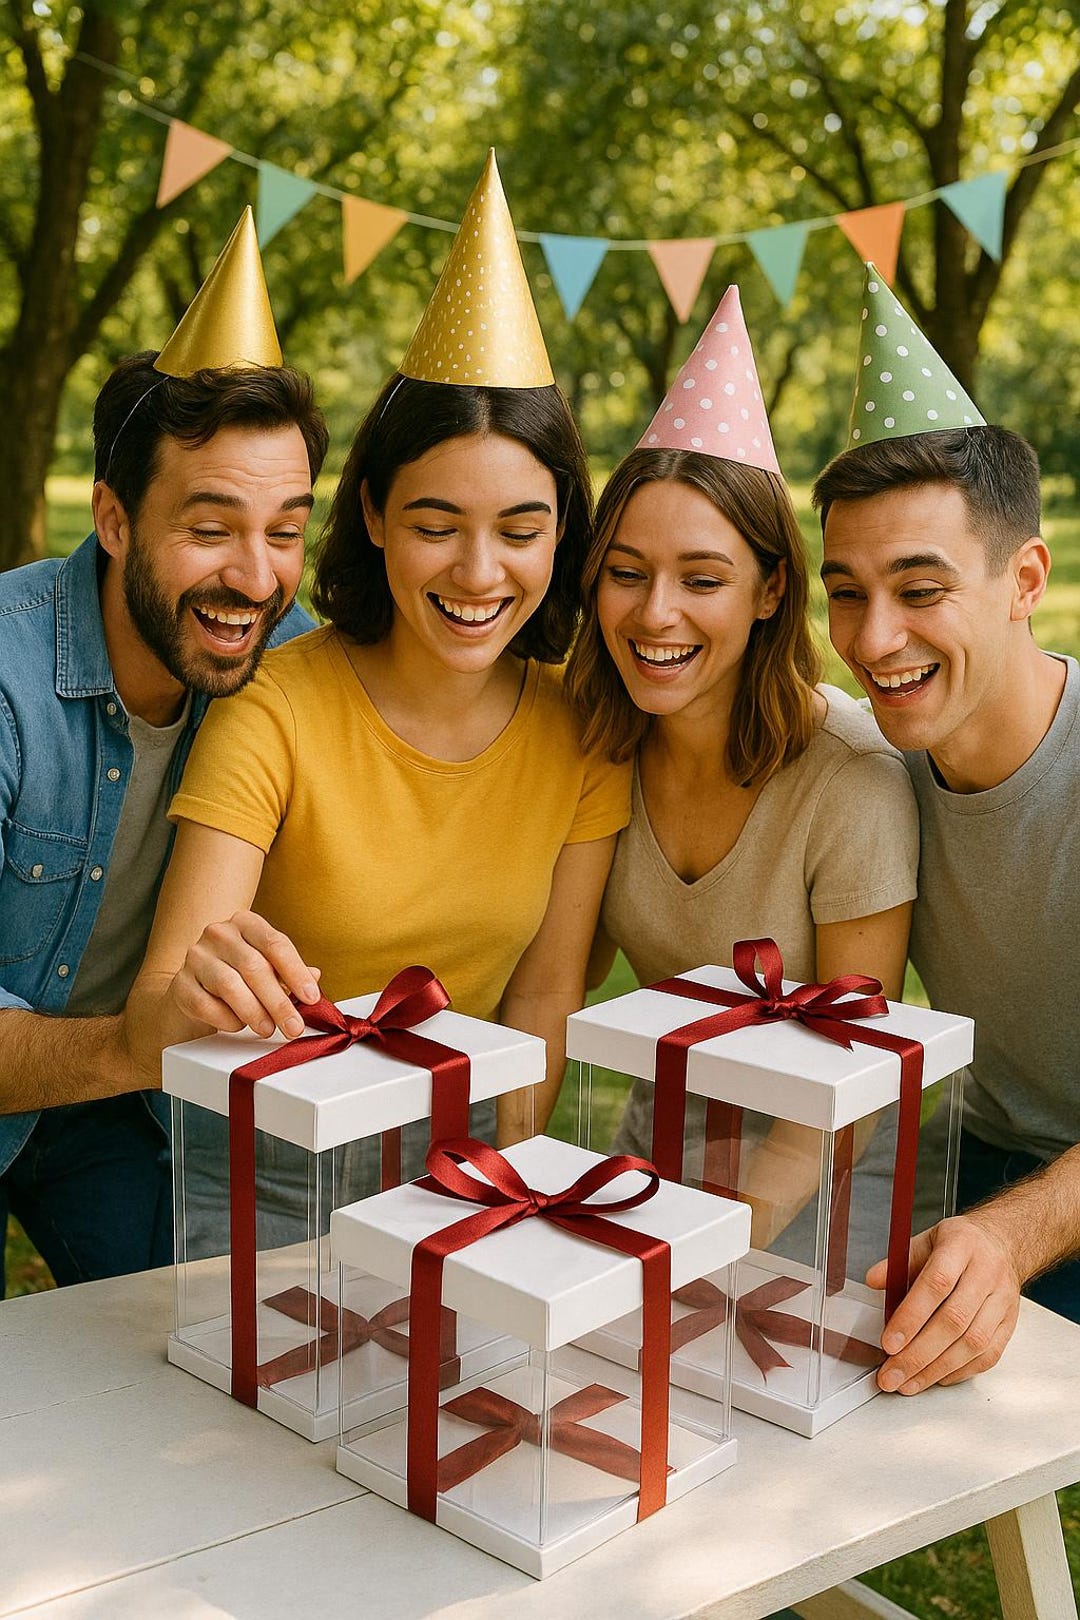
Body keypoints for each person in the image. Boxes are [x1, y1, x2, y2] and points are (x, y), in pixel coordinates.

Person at [122, 155, 629, 1236]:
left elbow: (545, 999)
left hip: (465, 1156)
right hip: (266, 1156)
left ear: (564, 533)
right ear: (377, 514)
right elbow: (167, 999)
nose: (478, 572)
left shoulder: (583, 729)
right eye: (438, 524)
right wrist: (212, 979)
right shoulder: (280, 707)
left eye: (522, 530)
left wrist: (513, 1195)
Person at [0, 209, 328, 1292]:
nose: (254, 575)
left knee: (221, 1337)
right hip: (100, 1065)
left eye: (285, 530)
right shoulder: (5, 679)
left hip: (109, 1116)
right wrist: (140, 1044)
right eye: (209, 526)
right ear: (114, 519)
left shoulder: (284, 668)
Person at [566, 286, 919, 1249]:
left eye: (703, 579)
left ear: (769, 588)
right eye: (627, 572)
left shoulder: (850, 781)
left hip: (828, 1181)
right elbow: (562, 972)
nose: (654, 614)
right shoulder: (595, 744)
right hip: (659, 1149)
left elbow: (846, 1089)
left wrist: (710, 1247)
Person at [813, 261, 1080, 1394]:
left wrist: (1015, 1236)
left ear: (1024, 577)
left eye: (920, 590)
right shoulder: (869, 759)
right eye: (845, 591)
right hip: (978, 1160)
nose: (875, 641)